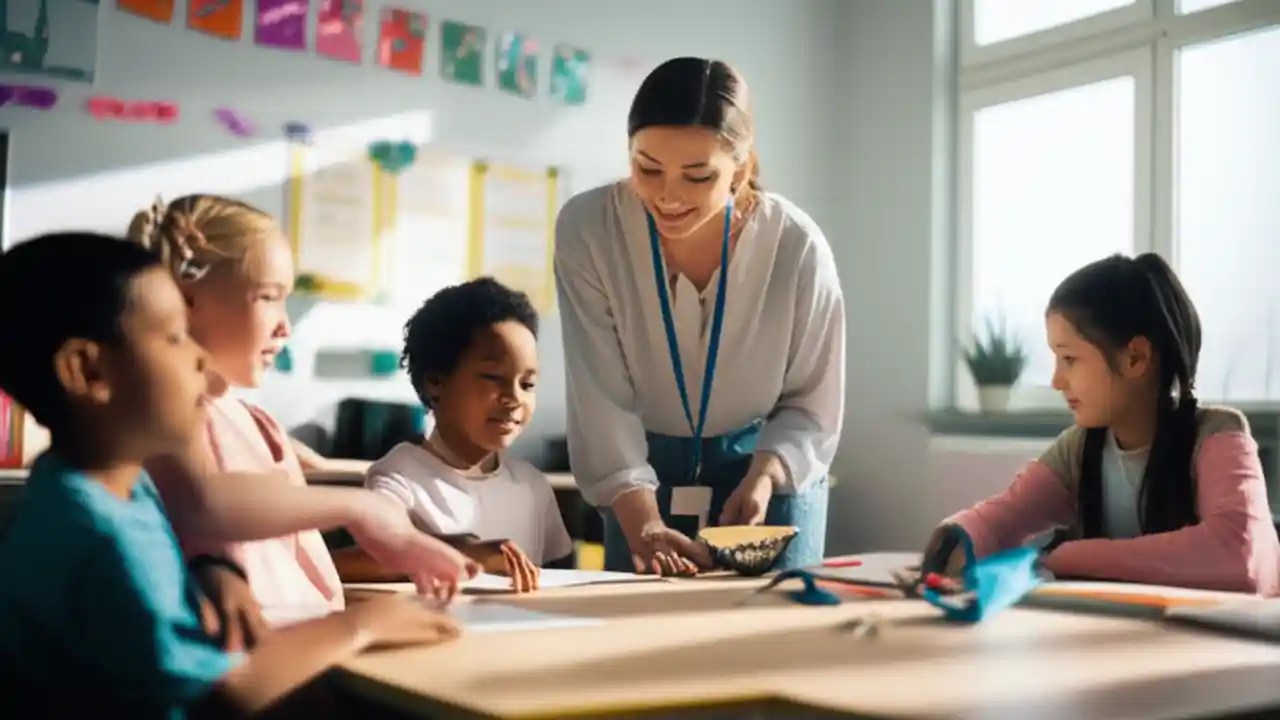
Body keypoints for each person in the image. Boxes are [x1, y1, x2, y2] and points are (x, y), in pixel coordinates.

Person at [0, 233, 460, 717]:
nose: (199, 356)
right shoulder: (94, 532)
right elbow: (228, 694)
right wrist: (363, 626)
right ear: (87, 370)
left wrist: (209, 570)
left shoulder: (97, 489)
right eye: (176, 336)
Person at [125, 194, 474, 629]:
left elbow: (301, 570)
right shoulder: (162, 413)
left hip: (306, 646)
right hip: (249, 664)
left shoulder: (259, 424)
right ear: (186, 297)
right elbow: (203, 502)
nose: (285, 326)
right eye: (269, 297)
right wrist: (360, 508)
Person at [554, 57, 845, 574]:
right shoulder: (588, 229)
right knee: (639, 636)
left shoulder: (797, 246)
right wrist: (640, 516)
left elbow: (811, 400)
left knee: (769, 638)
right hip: (640, 469)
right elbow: (598, 392)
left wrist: (763, 477)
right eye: (647, 168)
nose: (668, 195)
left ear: (743, 168)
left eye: (697, 176)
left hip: (768, 464)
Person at [922, 253, 1280, 595]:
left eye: (1070, 359)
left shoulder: (1217, 434)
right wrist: (959, 536)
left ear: (1135, 359)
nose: (1056, 381)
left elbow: (1240, 556)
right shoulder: (1078, 448)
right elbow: (1004, 519)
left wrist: (1071, 556)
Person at [342, 278, 574, 593]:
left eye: (527, 384)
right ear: (436, 380)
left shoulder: (531, 485)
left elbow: (563, 578)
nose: (514, 397)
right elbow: (359, 560)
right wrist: (464, 552)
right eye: (493, 378)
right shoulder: (400, 476)